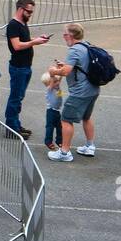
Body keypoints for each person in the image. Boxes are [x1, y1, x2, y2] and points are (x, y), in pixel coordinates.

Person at [48, 23, 101, 162]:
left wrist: (54, 71)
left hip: (80, 91)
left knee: (66, 119)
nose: (64, 37)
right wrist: (64, 65)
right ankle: (90, 146)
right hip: (93, 89)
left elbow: (65, 72)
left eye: (65, 34)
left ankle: (64, 153)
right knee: (86, 117)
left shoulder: (74, 50)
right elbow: (79, 66)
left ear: (70, 35)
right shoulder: (87, 45)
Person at [4, 0, 49, 140]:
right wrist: (34, 42)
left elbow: (24, 41)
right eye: (28, 11)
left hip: (25, 66)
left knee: (19, 97)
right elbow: (17, 46)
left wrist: (36, 39)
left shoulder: (23, 23)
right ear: (20, 9)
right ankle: (11, 128)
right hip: (18, 67)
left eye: (31, 12)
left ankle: (16, 124)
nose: (30, 14)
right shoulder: (13, 25)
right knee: (15, 98)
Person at [42, 70, 64, 152]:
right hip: (51, 111)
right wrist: (52, 75)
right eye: (55, 82)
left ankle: (59, 140)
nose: (57, 83)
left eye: (58, 81)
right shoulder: (49, 89)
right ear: (49, 83)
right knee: (50, 127)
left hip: (57, 111)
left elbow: (59, 78)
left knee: (59, 127)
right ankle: (48, 141)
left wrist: (59, 70)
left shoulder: (57, 87)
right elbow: (52, 81)